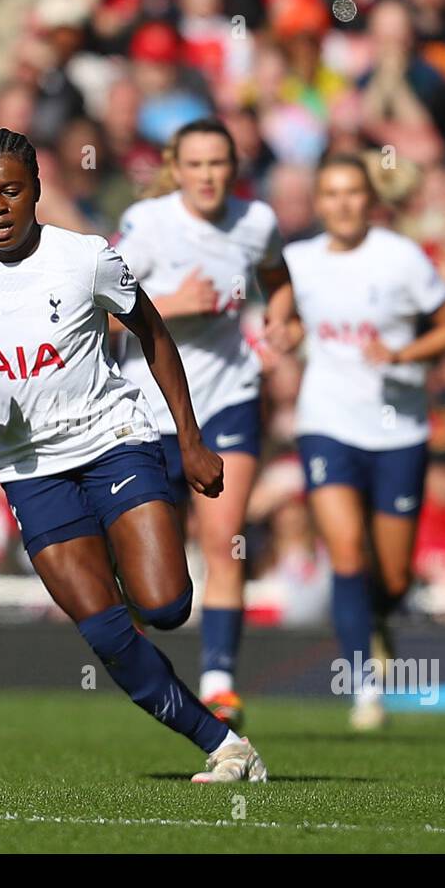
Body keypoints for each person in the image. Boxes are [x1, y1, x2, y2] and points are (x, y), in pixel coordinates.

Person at [0, 128, 266, 782]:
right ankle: (227, 747)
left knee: (166, 605)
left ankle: (129, 565)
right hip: (31, 470)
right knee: (108, 635)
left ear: (35, 191)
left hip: (114, 441)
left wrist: (191, 440)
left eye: (10, 191)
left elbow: (154, 333)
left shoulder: (84, 257)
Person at [264, 154, 445, 730]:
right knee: (346, 550)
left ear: (369, 199)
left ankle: (378, 621)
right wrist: (284, 333)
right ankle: (365, 687)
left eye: (353, 192)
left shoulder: (400, 257)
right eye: (331, 193)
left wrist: (401, 355)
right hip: (326, 422)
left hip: (397, 428)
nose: (342, 204)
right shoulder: (297, 261)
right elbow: (293, 323)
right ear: (319, 201)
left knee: (395, 576)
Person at [114, 117, 287, 731]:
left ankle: (220, 683)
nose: (208, 176)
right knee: (158, 589)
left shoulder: (257, 222)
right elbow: (96, 319)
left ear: (233, 169)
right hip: (152, 406)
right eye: (196, 165)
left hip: (229, 397)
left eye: (219, 164)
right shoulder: (148, 226)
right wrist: (175, 305)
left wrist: (284, 319)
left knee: (224, 538)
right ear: (175, 167)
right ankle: (146, 635)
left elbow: (276, 276)